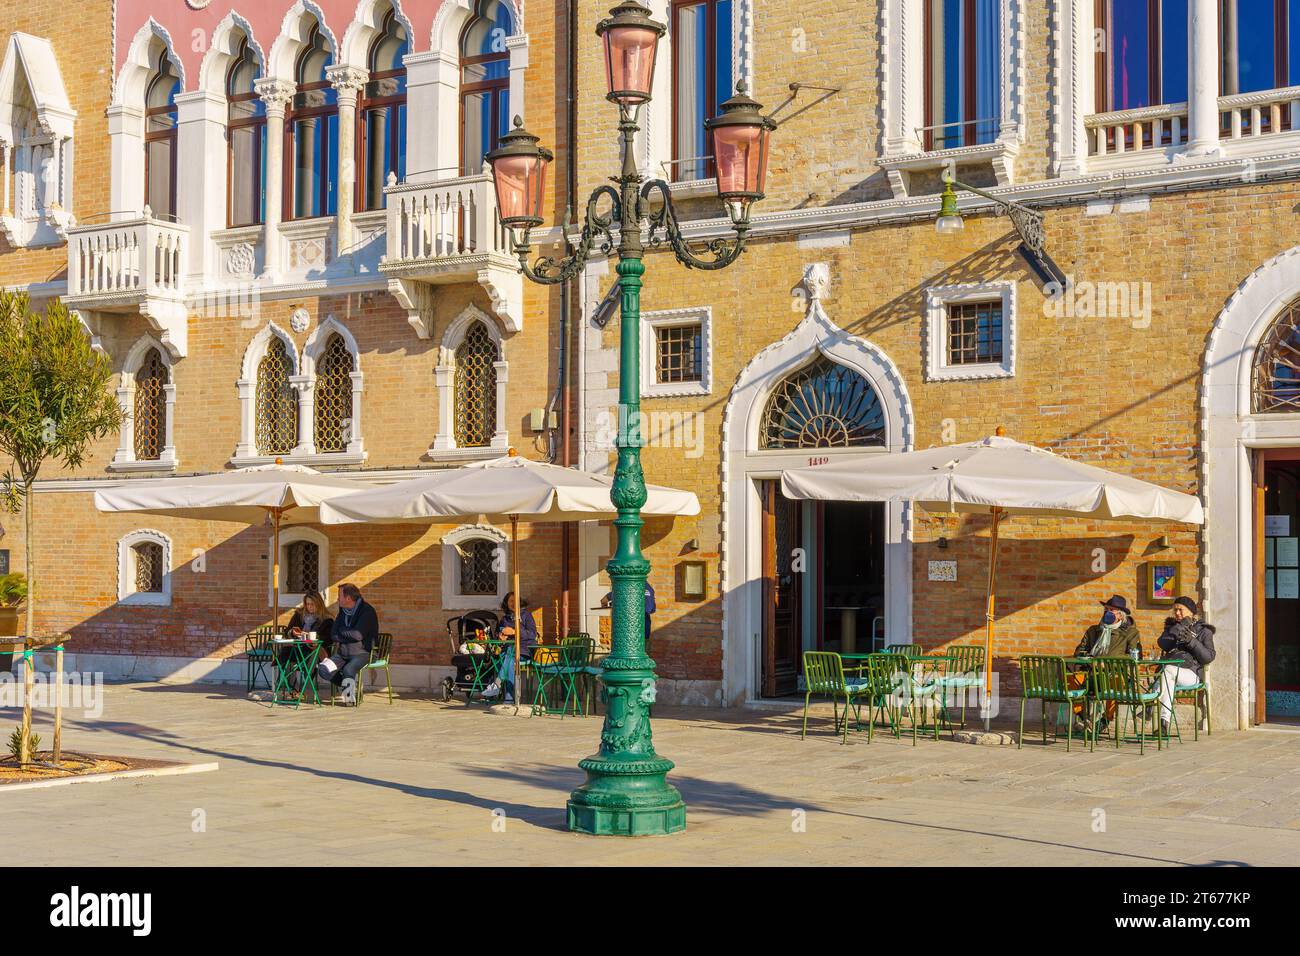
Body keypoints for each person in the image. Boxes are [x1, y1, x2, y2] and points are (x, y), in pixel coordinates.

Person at [1068, 594, 1142, 734]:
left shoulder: (1130, 633)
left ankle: (1104, 720)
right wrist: (1090, 658)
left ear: (1120, 615)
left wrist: (1108, 664)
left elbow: (1134, 657)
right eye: (1106, 609)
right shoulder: (1093, 631)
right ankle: (1085, 718)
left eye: (1111, 610)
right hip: (1092, 674)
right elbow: (1079, 651)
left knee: (1115, 682)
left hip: (1114, 675)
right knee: (1071, 678)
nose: (1106, 612)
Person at [1155, 596, 1215, 737]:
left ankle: (1150, 706)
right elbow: (1163, 644)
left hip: (1193, 674)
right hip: (1171, 674)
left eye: (1180, 610)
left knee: (1167, 670)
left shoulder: (1204, 631)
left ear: (1191, 612)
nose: (1177, 613)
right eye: (1175, 610)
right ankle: (1164, 723)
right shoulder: (1172, 627)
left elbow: (1208, 657)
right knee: (1167, 675)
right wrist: (1178, 628)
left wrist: (1192, 642)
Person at [317, 583, 378, 705]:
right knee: (324, 669)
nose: (337, 599)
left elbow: (358, 635)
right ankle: (352, 685)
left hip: (363, 653)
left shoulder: (367, 611)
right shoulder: (343, 612)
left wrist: (342, 631)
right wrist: (345, 634)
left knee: (348, 669)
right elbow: (333, 634)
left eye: (339, 596)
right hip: (343, 654)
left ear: (348, 598)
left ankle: (350, 699)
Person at [481, 591, 536, 702]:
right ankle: (509, 699)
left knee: (510, 654)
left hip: (525, 651)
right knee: (509, 659)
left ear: (520, 602)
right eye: (510, 601)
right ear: (506, 603)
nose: (513, 603)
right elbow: (498, 636)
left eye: (515, 600)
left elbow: (532, 634)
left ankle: (497, 685)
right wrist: (501, 638)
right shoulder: (505, 619)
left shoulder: (526, 615)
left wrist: (515, 631)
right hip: (508, 652)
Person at [276, 591, 332, 695]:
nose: (309, 607)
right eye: (307, 604)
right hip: (298, 648)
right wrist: (293, 633)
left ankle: (302, 690)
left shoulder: (326, 619)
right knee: (287, 653)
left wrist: (314, 637)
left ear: (319, 604)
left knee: (312, 655)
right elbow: (287, 631)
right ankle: (289, 689)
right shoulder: (299, 615)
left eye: (312, 604)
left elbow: (328, 638)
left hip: (316, 649)